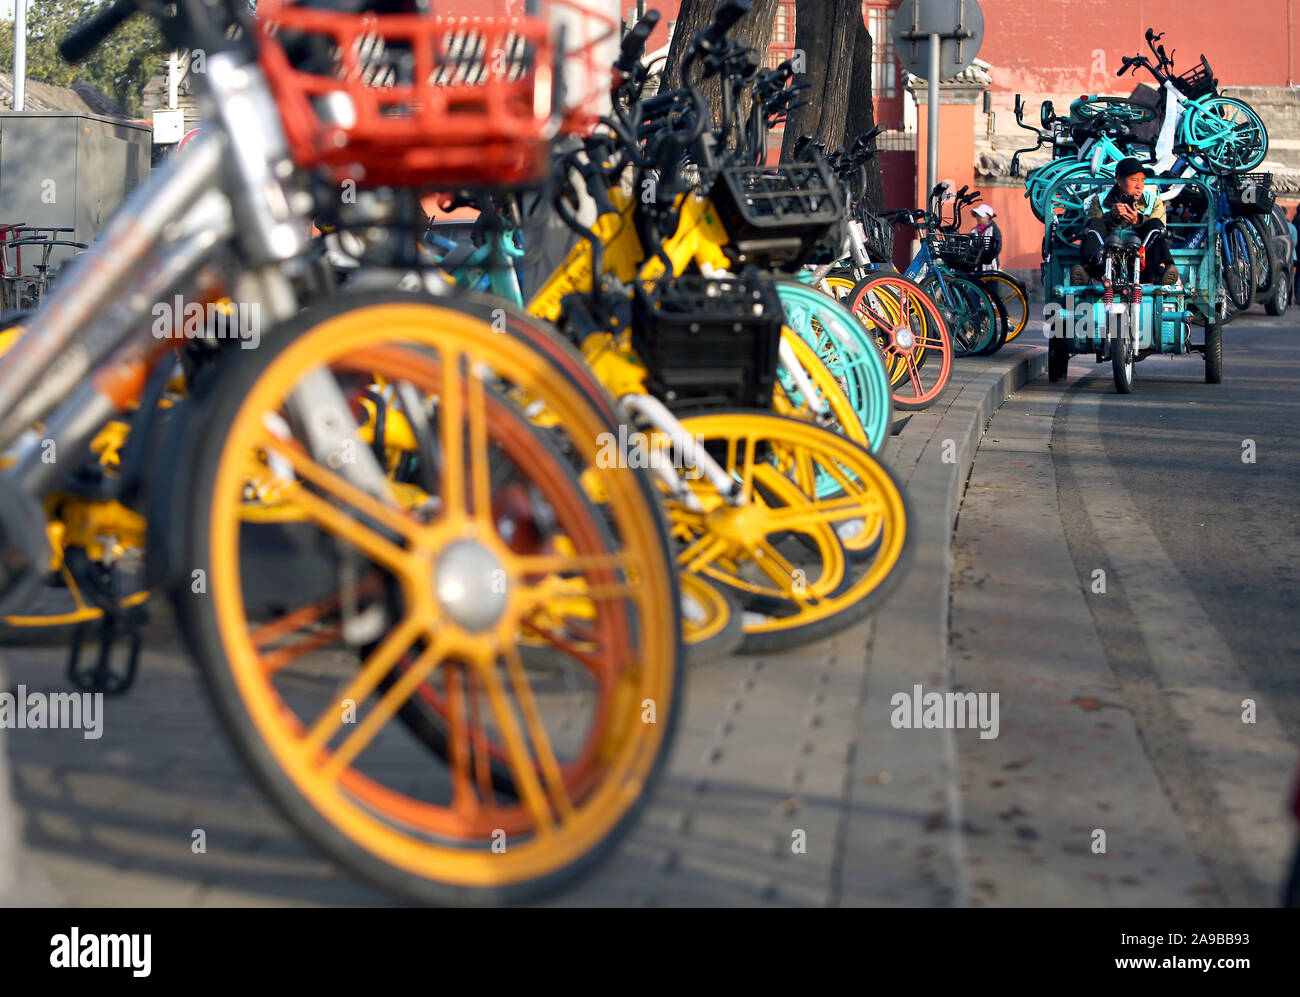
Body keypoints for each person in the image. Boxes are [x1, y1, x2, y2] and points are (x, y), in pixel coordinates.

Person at [1071, 157, 1179, 287]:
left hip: (1143, 260)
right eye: (1134, 180)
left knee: (1156, 225)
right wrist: (1112, 218)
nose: (1139, 186)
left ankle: (1164, 269)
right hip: (1107, 260)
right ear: (1119, 181)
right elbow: (1091, 230)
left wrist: (1137, 220)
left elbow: (1160, 231)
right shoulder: (1100, 200)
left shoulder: (1154, 201)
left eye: (1142, 180)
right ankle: (1086, 271)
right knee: (1094, 224)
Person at [971, 204, 1001, 270]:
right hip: (977, 264)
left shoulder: (994, 229)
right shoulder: (974, 230)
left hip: (990, 265)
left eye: (980, 216)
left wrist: (990, 257)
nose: (978, 218)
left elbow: (998, 246)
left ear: (988, 216)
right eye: (977, 216)